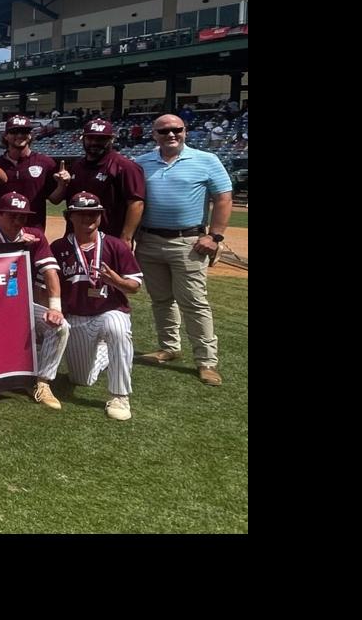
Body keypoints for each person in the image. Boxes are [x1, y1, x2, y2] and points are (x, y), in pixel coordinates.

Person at [133, 114, 232, 386]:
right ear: (154, 134)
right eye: (164, 131)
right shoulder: (141, 163)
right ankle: (169, 347)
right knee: (161, 299)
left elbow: (223, 198)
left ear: (185, 131)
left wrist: (215, 236)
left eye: (176, 130)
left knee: (194, 302)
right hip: (150, 241)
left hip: (189, 242)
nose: (171, 135)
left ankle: (207, 361)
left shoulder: (206, 160)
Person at [54, 192, 143, 421]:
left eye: (93, 213)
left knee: (117, 328)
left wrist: (117, 281)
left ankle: (119, 395)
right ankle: (103, 351)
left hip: (108, 311)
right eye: (81, 214)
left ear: (101, 216)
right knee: (81, 379)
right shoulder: (59, 247)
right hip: (76, 318)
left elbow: (134, 286)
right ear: (70, 217)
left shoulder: (115, 245)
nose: (88, 219)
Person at [0, 191, 66, 411]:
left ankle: (42, 382)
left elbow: (51, 271)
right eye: (11, 216)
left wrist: (55, 309)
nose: (17, 222)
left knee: (61, 327)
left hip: (20, 305)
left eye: (22, 217)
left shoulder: (34, 236)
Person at [48, 117, 145, 243]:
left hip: (109, 238)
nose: (94, 142)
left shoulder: (125, 166)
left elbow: (136, 204)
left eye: (101, 139)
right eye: (90, 138)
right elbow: (56, 200)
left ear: (111, 139)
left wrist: (126, 238)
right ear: (83, 139)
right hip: (75, 237)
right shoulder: (76, 166)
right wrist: (62, 185)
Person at [0, 114, 55, 227]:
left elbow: (55, 198)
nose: (19, 135)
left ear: (30, 135)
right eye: (14, 132)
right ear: (5, 136)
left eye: (24, 132)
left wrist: (63, 184)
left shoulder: (46, 163)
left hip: (32, 231)